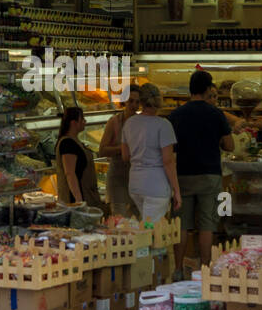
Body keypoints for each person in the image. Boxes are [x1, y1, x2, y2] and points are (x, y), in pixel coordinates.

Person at [169, 69, 234, 277]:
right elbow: (229, 145)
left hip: (182, 176)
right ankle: (205, 270)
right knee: (207, 224)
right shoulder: (216, 113)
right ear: (207, 89)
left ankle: (178, 269)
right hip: (210, 175)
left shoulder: (175, 115)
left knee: (182, 225)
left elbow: (169, 148)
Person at [121, 83, 180, 222]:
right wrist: (176, 191)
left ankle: (147, 241)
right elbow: (168, 161)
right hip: (156, 186)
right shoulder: (163, 125)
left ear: (141, 101)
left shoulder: (129, 123)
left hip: (135, 184)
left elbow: (125, 156)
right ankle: (148, 243)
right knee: (152, 229)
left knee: (146, 223)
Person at [99, 86, 142, 216]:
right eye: (131, 101)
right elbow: (102, 150)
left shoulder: (142, 123)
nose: (134, 105)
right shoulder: (114, 122)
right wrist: (122, 148)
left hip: (137, 178)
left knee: (136, 221)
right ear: (124, 101)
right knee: (120, 221)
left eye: (137, 102)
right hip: (118, 179)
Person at [55, 106, 105, 209]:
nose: (84, 122)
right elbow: (70, 174)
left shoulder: (75, 141)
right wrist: (79, 201)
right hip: (74, 200)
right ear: (74, 123)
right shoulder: (67, 143)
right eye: (82, 119)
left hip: (86, 195)